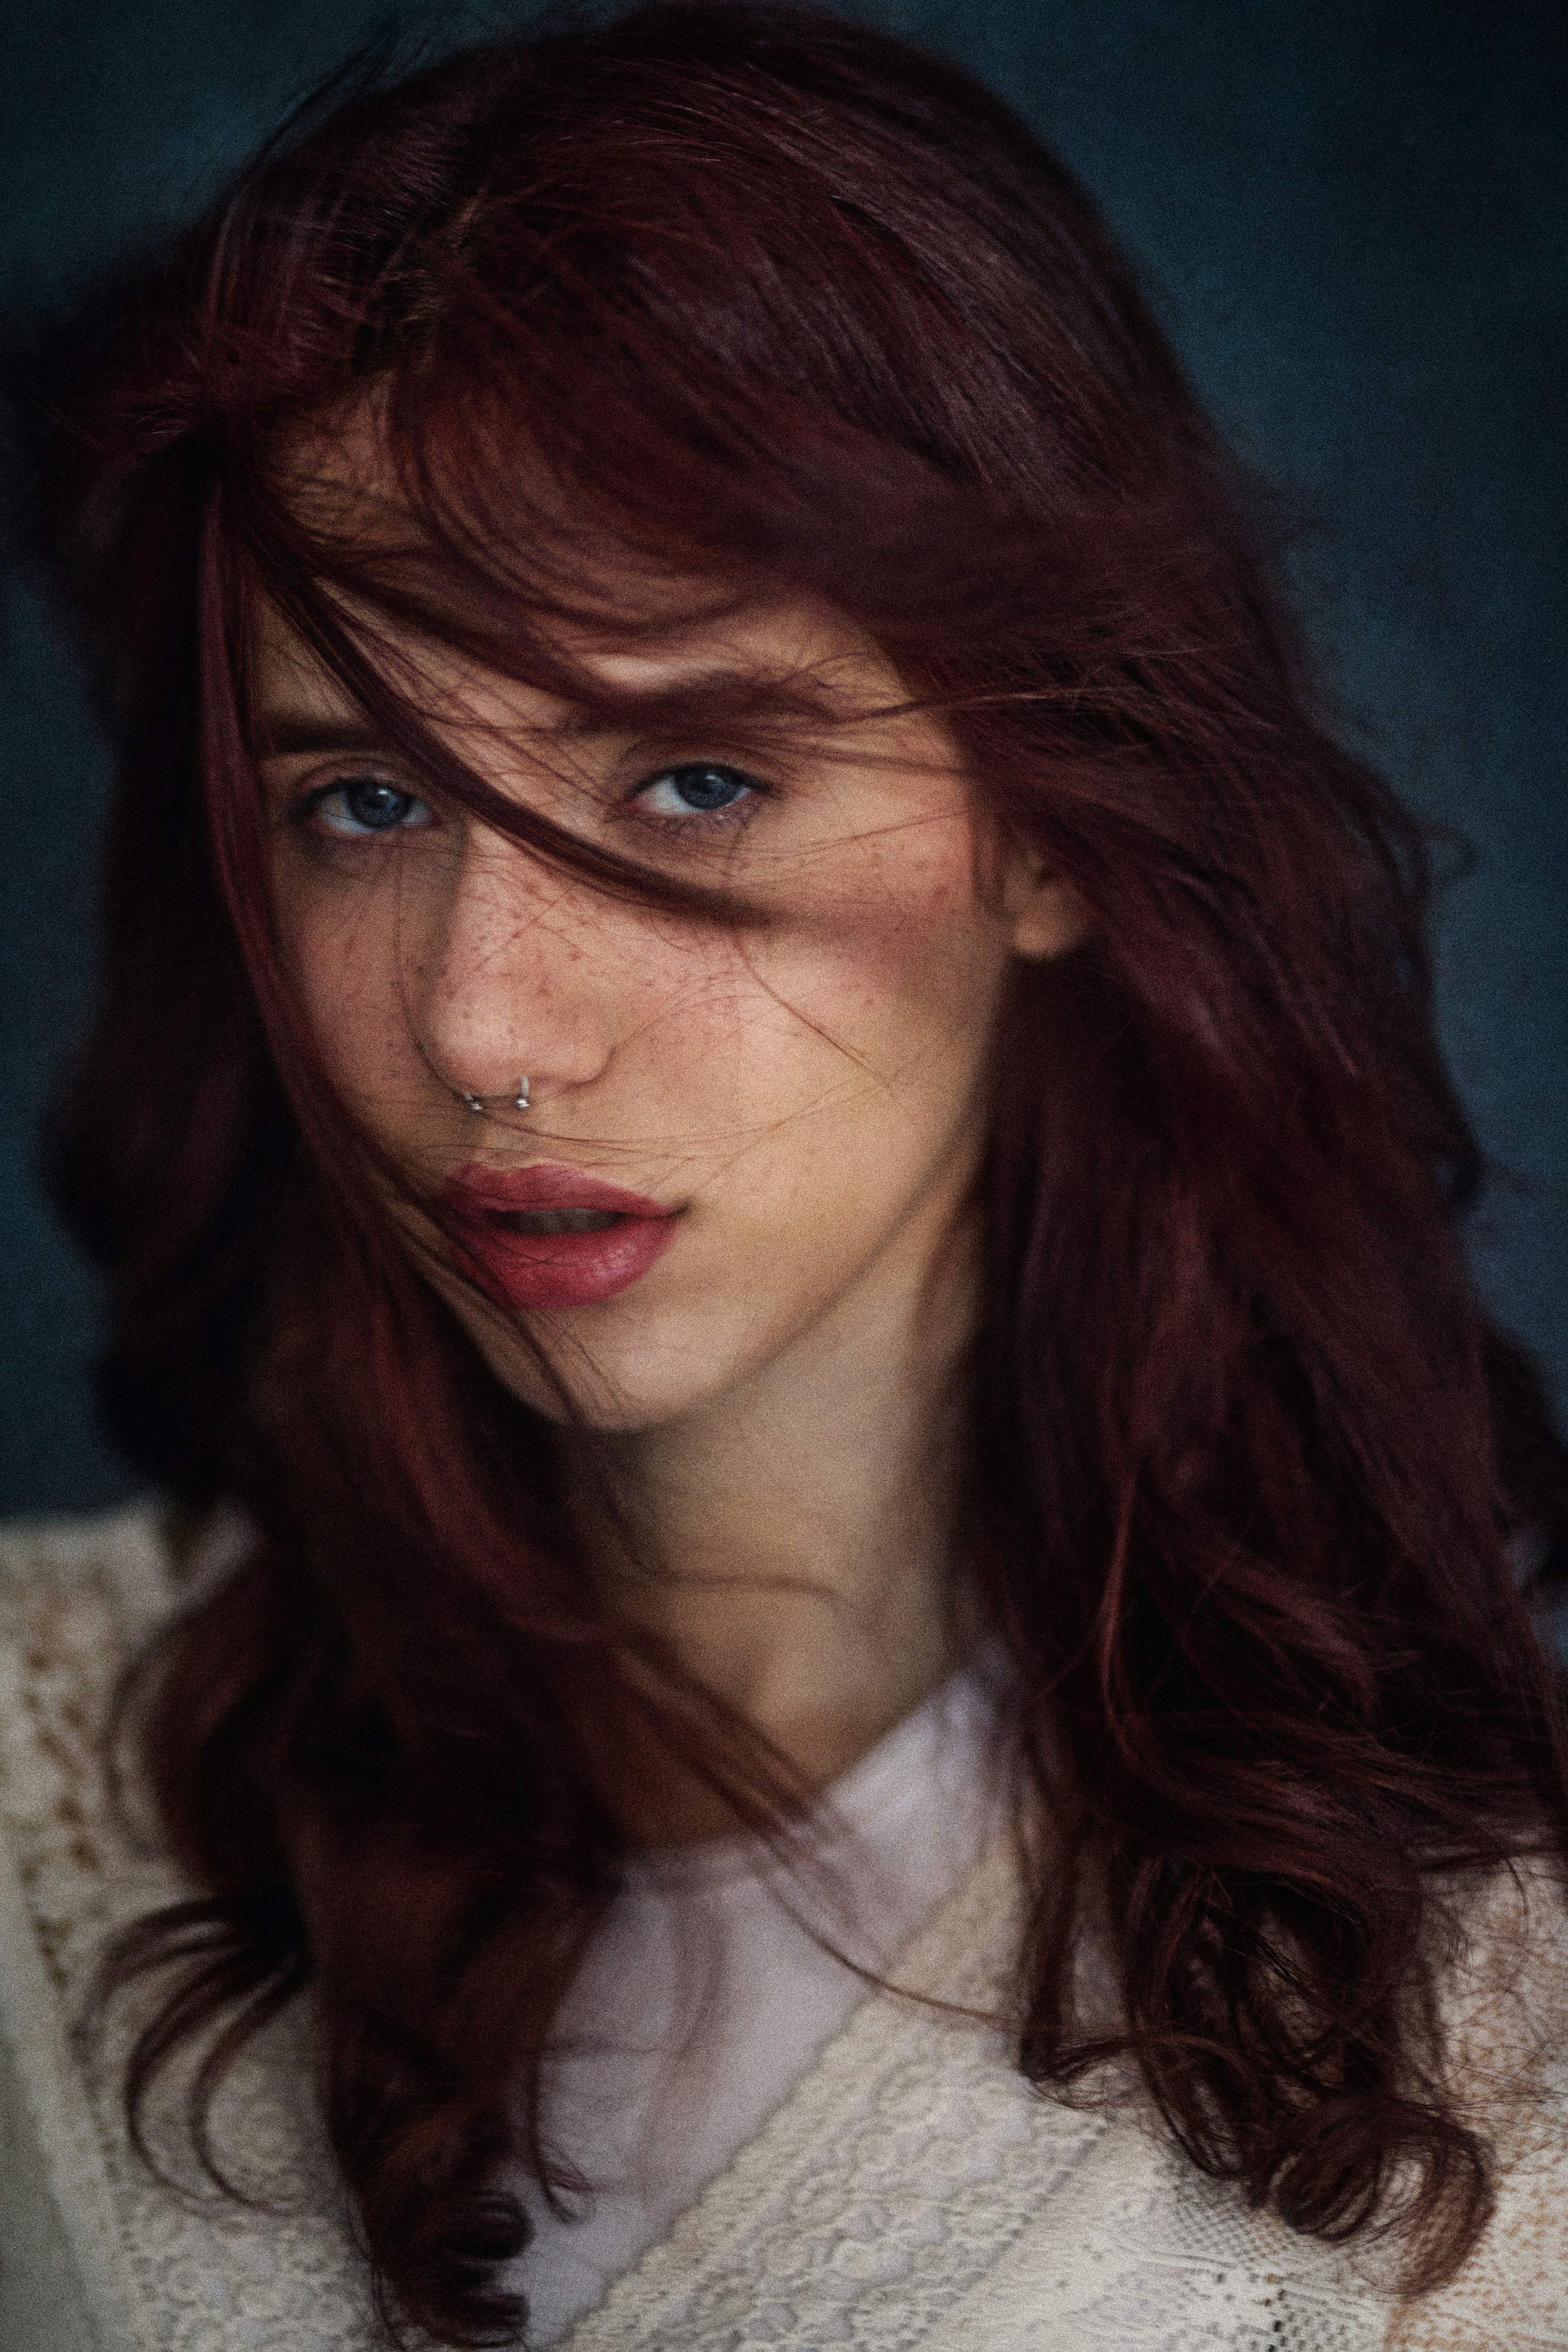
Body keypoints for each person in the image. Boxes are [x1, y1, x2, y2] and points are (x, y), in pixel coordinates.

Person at [2, 5, 1565, 2346]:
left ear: (1051, 820)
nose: (479, 1025)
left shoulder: (1493, 2038)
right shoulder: (39, 1768)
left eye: (693, 782)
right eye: (365, 800)